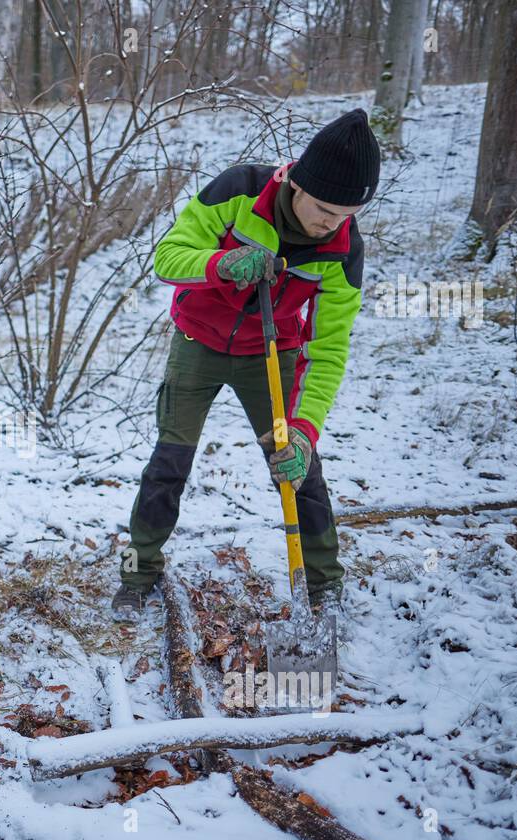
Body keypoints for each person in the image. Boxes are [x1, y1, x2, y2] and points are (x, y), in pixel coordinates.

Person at [114, 109, 381, 619]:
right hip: (199, 343)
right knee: (169, 462)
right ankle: (137, 571)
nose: (330, 223)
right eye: (324, 208)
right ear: (296, 182)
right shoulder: (238, 191)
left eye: (345, 214)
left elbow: (328, 349)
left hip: (271, 355)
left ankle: (323, 587)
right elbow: (168, 256)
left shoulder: (343, 251)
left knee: (299, 469)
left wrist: (304, 429)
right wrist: (219, 266)